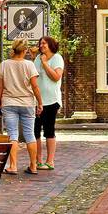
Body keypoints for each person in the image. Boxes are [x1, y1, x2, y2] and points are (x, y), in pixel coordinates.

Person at [0, 40, 42, 175]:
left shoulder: (4, 64)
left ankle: (13, 166)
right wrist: (40, 102)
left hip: (9, 102)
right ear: (25, 51)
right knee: (29, 134)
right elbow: (35, 86)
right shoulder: (29, 65)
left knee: (12, 134)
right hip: (27, 103)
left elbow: (0, 86)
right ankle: (33, 166)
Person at [34, 36, 65, 170]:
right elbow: (33, 77)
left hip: (51, 100)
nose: (41, 46)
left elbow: (56, 77)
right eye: (40, 44)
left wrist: (46, 63)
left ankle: (50, 161)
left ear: (51, 45)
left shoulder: (57, 58)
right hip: (37, 100)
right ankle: (37, 160)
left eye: (44, 43)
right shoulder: (37, 59)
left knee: (49, 131)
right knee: (35, 132)